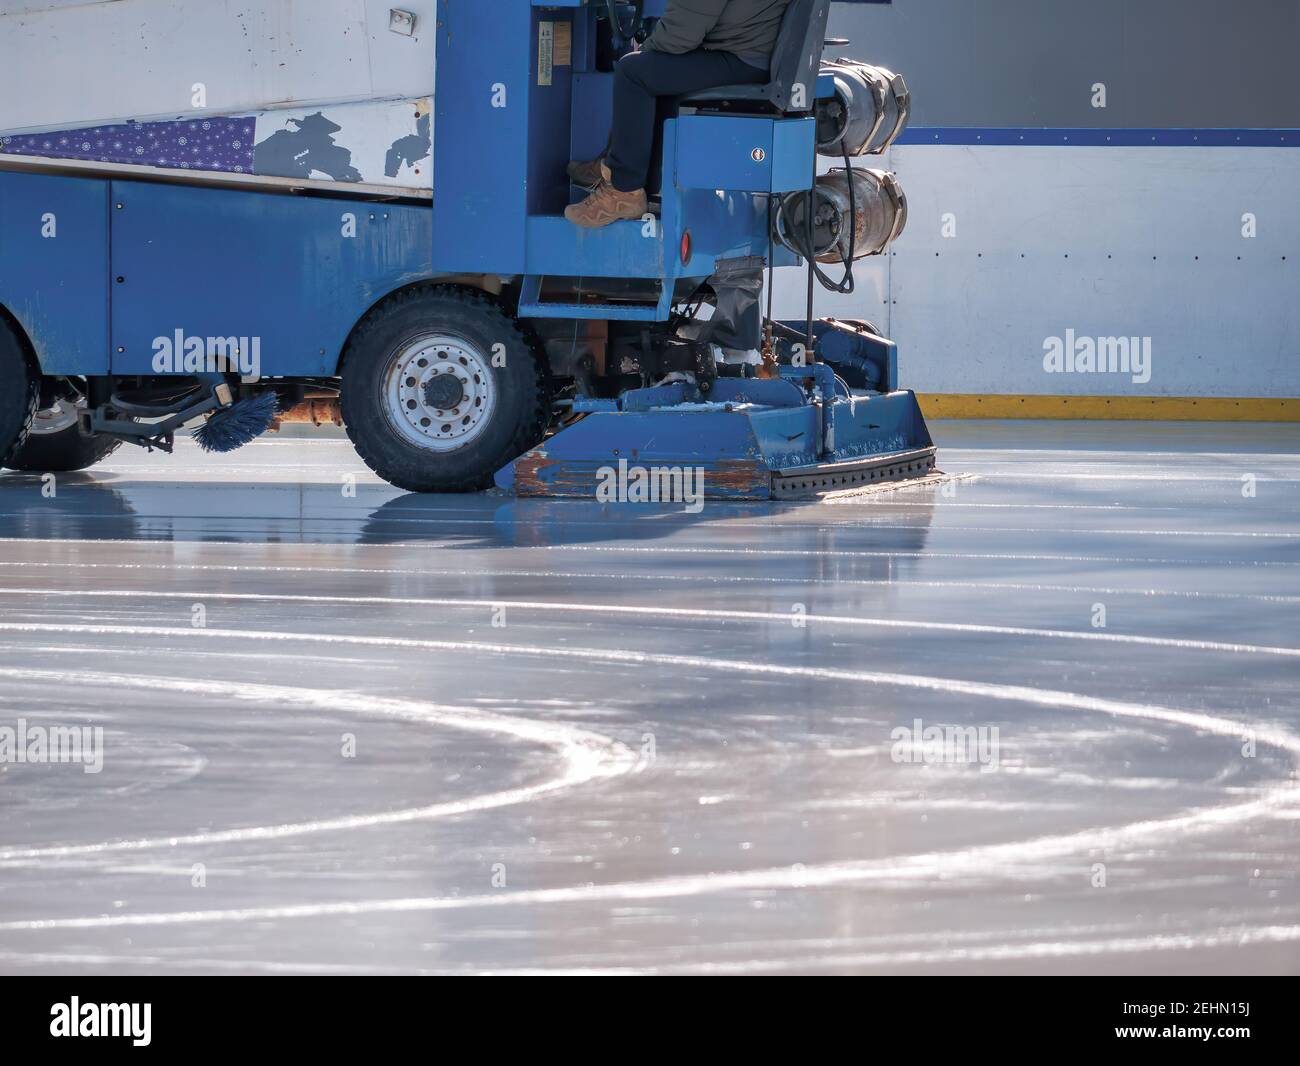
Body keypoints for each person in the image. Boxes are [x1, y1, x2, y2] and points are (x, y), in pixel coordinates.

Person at [565, 0, 793, 229]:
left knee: (633, 72)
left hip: (741, 57)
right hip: (751, 50)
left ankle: (624, 191)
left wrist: (645, 50)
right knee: (652, 70)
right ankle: (612, 166)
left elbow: (683, 31)